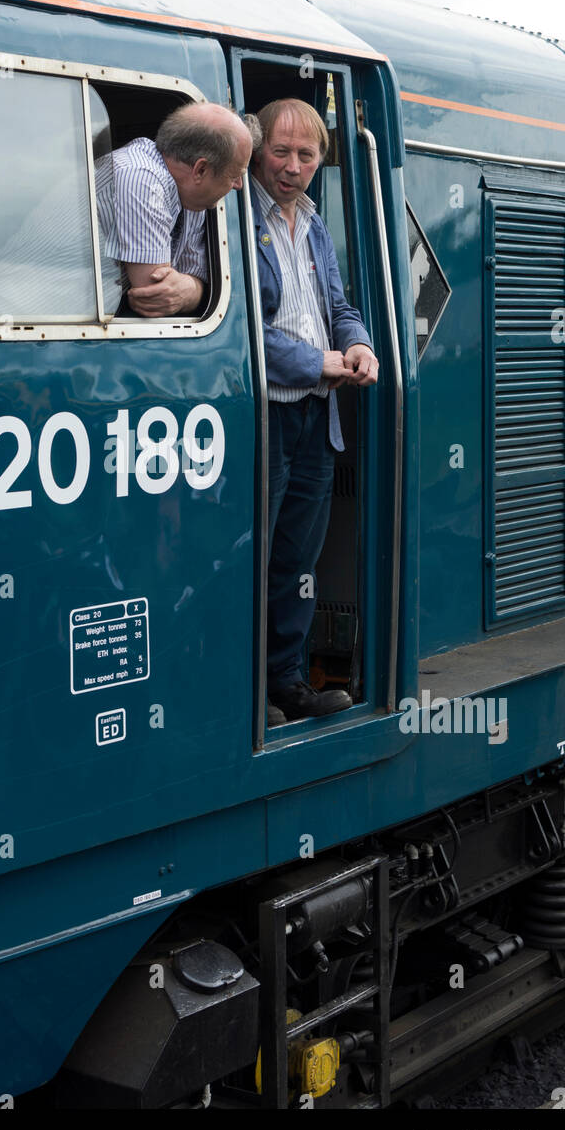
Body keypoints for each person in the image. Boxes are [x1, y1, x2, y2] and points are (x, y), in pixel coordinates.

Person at [250, 98, 378, 726]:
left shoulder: (314, 223)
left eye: (306, 155)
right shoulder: (237, 215)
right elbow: (240, 324)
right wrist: (316, 363)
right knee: (254, 551)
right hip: (264, 417)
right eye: (281, 151)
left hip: (314, 420)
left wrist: (357, 344)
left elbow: (339, 305)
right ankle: (246, 692)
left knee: (297, 559)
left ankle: (287, 682)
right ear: (256, 149)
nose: (292, 166)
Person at [95, 101, 253, 317]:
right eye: (234, 175)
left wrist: (189, 290)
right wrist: (190, 289)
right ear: (201, 169)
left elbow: (194, 278)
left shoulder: (191, 194)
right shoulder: (141, 177)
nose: (238, 186)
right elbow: (153, 297)